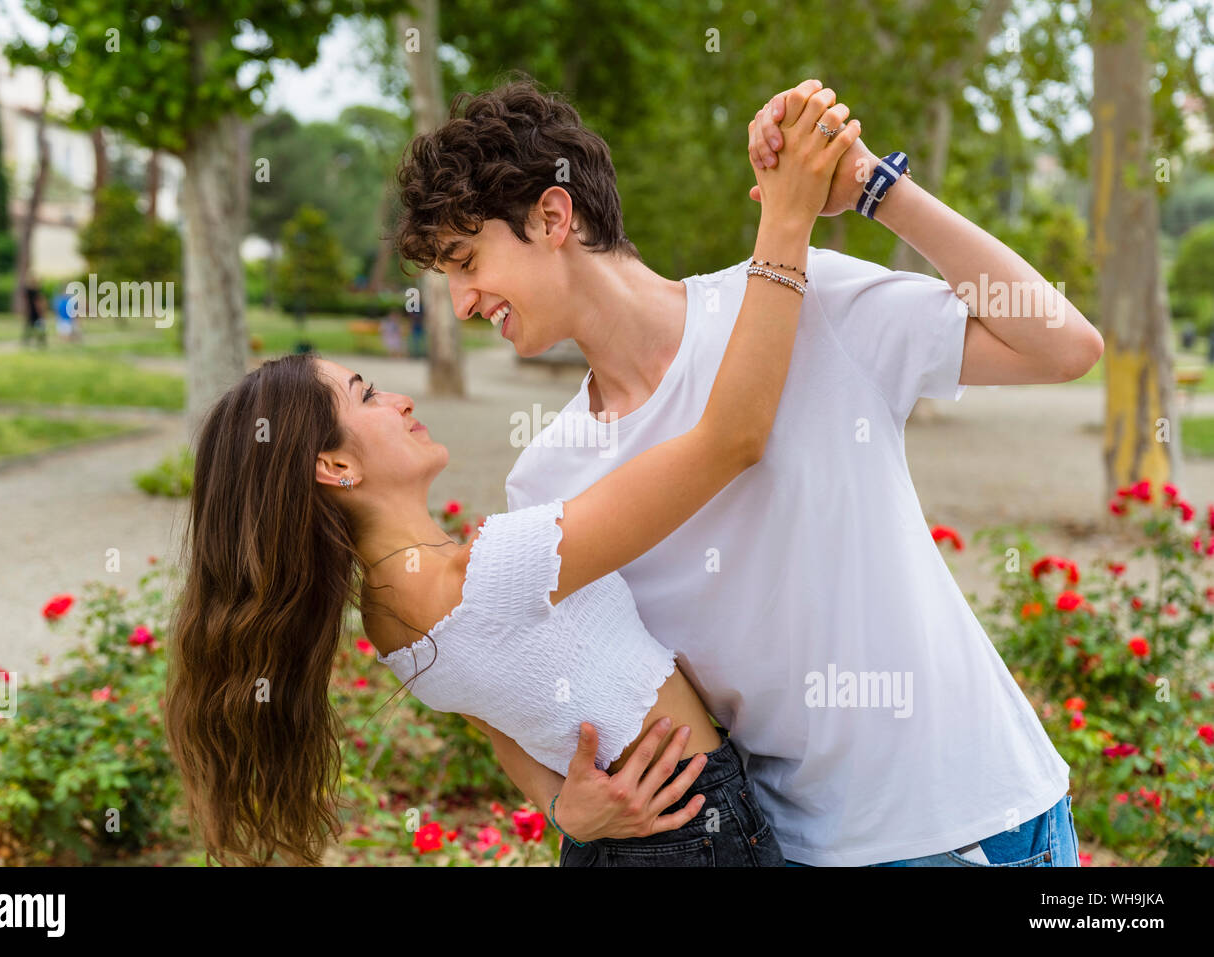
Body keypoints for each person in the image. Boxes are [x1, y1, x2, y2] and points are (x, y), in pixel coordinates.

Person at [392, 78, 1103, 867]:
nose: (458, 302)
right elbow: (499, 671)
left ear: (553, 216)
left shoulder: (808, 297)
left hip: (973, 815)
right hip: (795, 847)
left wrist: (873, 185)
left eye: (465, 260)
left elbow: (1063, 345)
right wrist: (563, 804)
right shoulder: (547, 476)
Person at [162, 92, 859, 867]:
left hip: (619, 839)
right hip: (693, 830)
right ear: (334, 465)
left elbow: (498, 717)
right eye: (365, 395)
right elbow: (730, 439)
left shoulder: (391, 618)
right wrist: (787, 219)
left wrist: (565, 808)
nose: (397, 398)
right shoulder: (499, 571)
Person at [21, 275, 46, 348]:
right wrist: (41, 312)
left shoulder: (29, 291)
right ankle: (40, 341)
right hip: (34, 312)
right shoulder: (33, 291)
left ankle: (28, 341)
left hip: (31, 312)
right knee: (38, 327)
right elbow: (37, 302)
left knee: (30, 327)